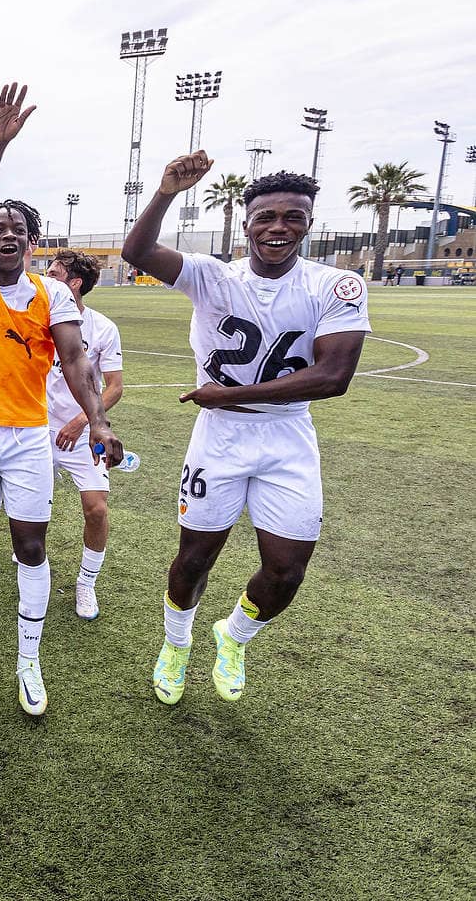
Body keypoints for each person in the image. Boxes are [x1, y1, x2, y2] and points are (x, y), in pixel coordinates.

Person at [122, 157, 368, 705]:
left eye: (292, 217)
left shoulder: (335, 284)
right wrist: (165, 192)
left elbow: (333, 377)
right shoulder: (213, 276)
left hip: (286, 436)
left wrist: (227, 394)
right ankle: (176, 645)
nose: (278, 227)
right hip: (220, 438)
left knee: (286, 572)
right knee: (194, 559)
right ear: (247, 223)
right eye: (265, 217)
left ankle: (232, 636)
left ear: (309, 223)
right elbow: (136, 253)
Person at [0, 82, 123, 717]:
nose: (6, 233)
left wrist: (98, 421)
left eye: (18, 228)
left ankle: (28, 659)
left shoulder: (54, 293)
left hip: (27, 438)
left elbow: (75, 360)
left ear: (32, 243)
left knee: (30, 546)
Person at [43, 250, 124, 620]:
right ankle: (31, 557)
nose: (46, 278)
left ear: (74, 283)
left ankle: (86, 583)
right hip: (36, 429)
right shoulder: (36, 320)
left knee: (96, 508)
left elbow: (115, 387)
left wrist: (82, 421)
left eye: (53, 273)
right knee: (30, 507)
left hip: (81, 434)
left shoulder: (103, 328)